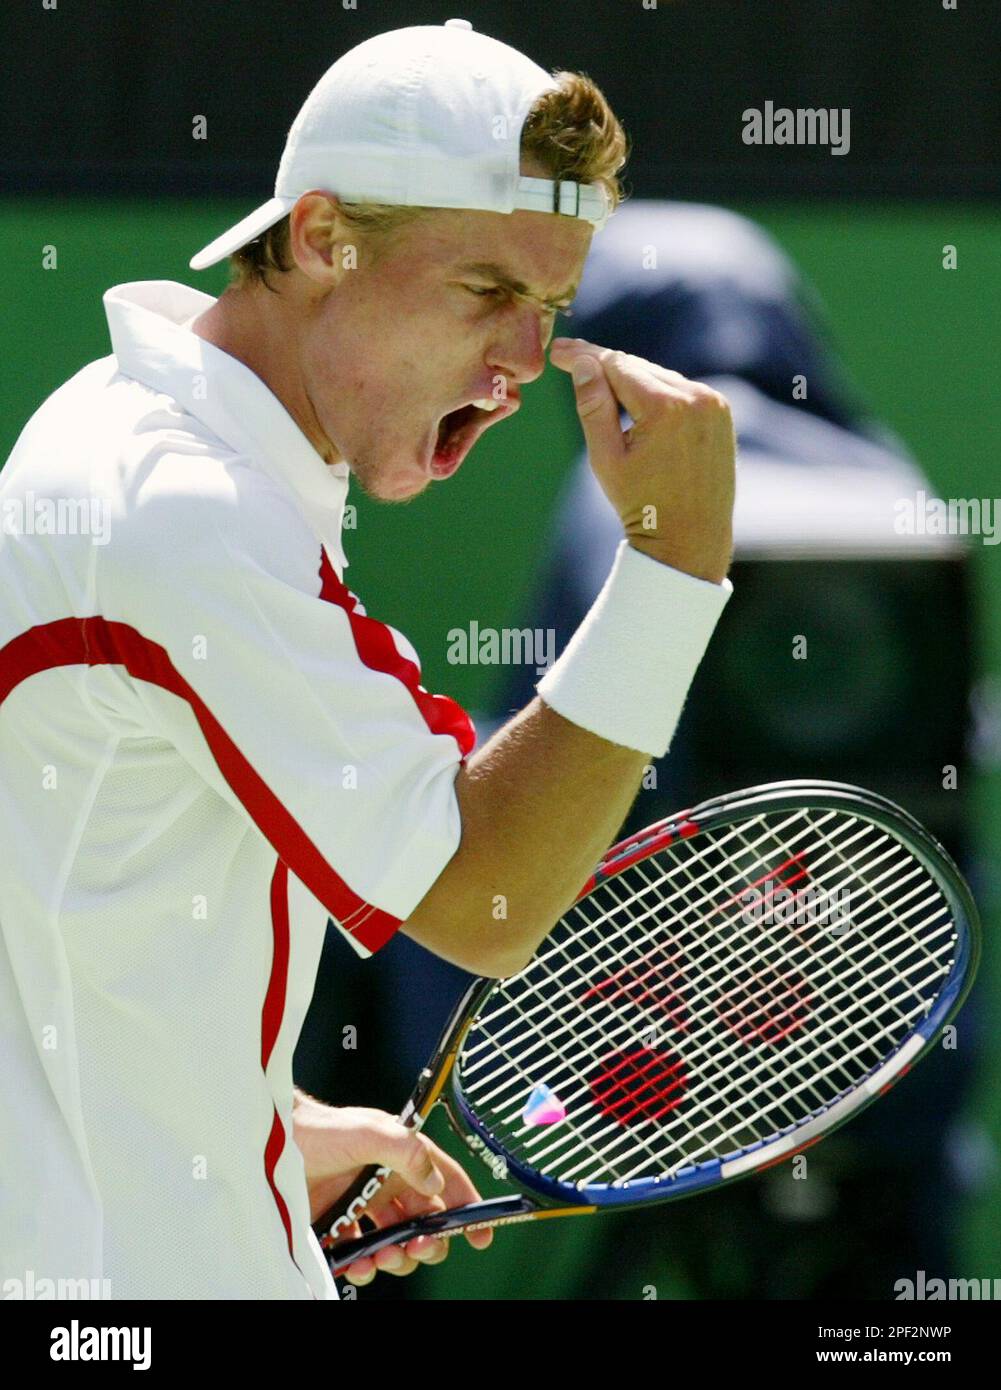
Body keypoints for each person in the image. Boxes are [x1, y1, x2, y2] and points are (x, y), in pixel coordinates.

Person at [0, 20, 735, 1299]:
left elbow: (59, 943)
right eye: (485, 293)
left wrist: (254, 1122)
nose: (517, 365)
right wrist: (673, 572)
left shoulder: (115, 448)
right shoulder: (181, 511)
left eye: (548, 310)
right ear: (321, 237)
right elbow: (489, 901)